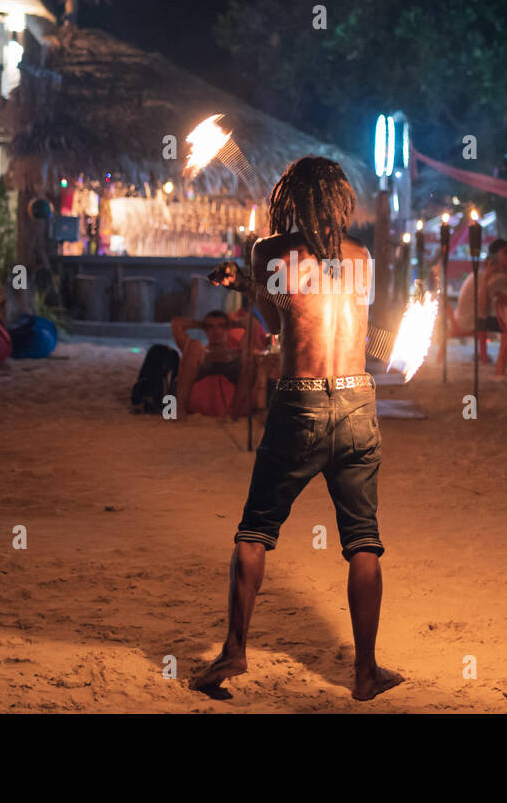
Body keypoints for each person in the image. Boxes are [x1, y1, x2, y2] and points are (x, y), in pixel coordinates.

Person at [192, 156, 401, 702]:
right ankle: (366, 671)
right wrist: (249, 284)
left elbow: (282, 307)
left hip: (299, 404)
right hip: (358, 401)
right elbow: (318, 304)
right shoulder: (363, 256)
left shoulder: (269, 251)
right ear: (339, 202)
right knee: (364, 542)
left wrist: (241, 278)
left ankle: (236, 651)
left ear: (290, 201)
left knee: (254, 532)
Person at [171, 309, 261, 418]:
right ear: (205, 330)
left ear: (228, 328)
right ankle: (179, 410)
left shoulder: (236, 352)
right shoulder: (198, 352)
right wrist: (202, 324)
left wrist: (231, 323)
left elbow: (252, 323)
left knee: (249, 356)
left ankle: (233, 413)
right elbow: (176, 323)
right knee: (194, 345)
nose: (216, 331)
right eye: (211, 327)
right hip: (201, 372)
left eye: (221, 326)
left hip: (235, 389)